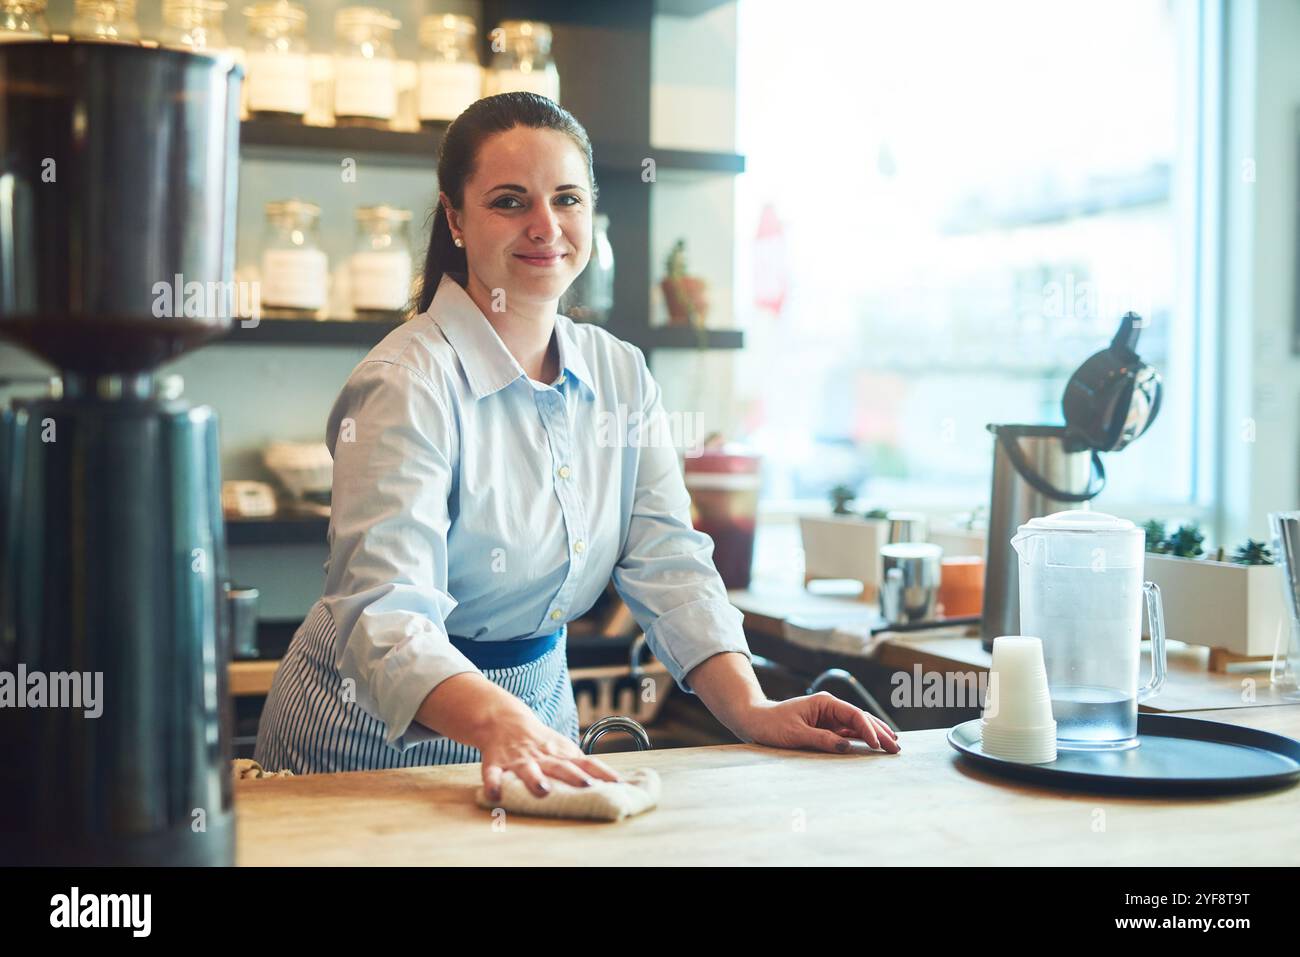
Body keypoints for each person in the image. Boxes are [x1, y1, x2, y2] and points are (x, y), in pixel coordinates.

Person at [255, 92, 899, 801]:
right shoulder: (406, 381)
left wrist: (751, 707)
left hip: (538, 726)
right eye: (509, 201)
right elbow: (385, 612)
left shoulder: (621, 373)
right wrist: (502, 719)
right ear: (455, 219)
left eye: (567, 199)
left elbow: (670, 563)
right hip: (366, 747)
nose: (545, 226)